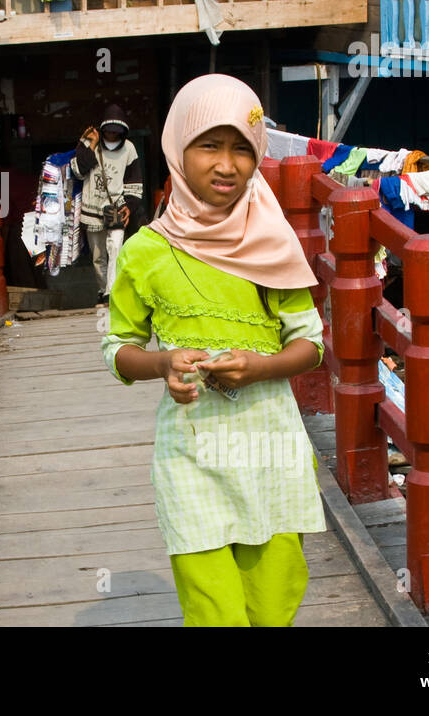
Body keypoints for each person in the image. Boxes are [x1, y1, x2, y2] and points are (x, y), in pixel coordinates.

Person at [100, 74, 327, 627]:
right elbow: (118, 348)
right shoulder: (144, 252)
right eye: (209, 146)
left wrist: (260, 368)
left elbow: (311, 345)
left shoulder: (273, 244)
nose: (227, 165)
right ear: (179, 148)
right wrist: (161, 365)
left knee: (273, 604)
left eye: (242, 150)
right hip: (191, 454)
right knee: (214, 610)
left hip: (271, 449)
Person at [72, 104, 142, 304]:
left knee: (115, 249)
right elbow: (79, 171)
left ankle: (112, 292)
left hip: (116, 207)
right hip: (91, 208)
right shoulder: (89, 142)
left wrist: (130, 205)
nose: (112, 134)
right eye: (109, 130)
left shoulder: (129, 148)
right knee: (98, 257)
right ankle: (103, 289)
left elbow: (134, 181)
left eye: (116, 131)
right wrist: (91, 145)